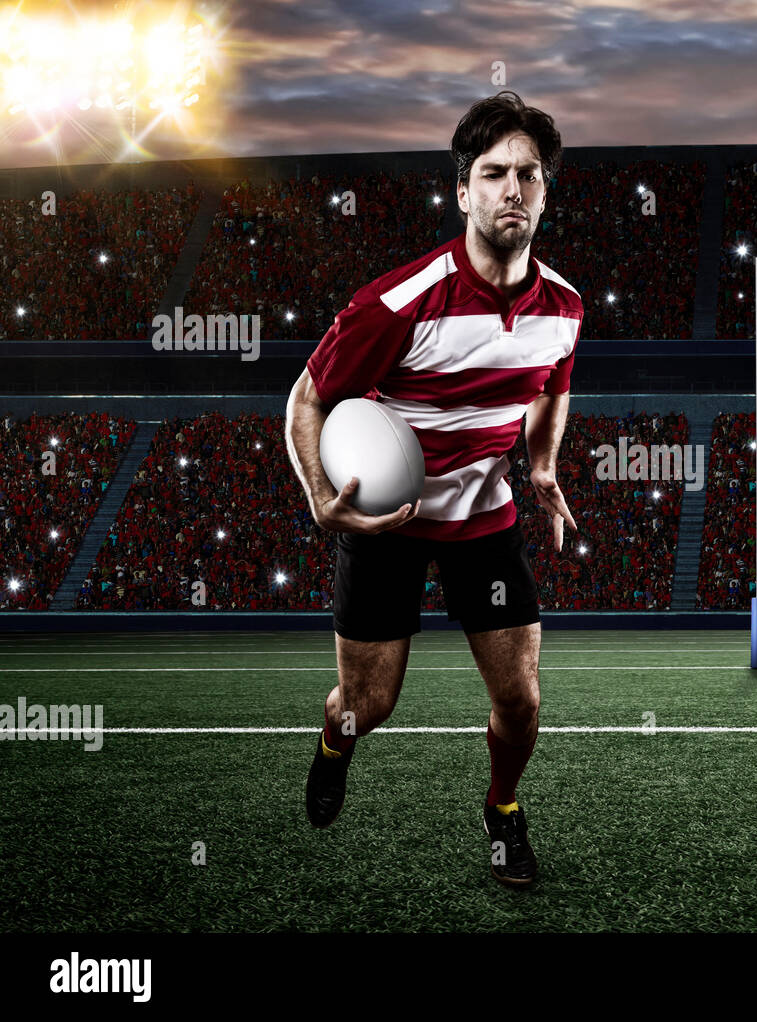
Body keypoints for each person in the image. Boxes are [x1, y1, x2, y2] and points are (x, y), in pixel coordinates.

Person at [285, 91, 582, 888]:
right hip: (385, 521)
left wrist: (543, 466)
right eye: (493, 174)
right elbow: (307, 399)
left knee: (521, 701)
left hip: (483, 521)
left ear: (546, 190)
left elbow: (552, 385)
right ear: (463, 193)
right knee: (366, 705)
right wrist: (320, 494)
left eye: (528, 174)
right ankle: (333, 745)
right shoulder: (398, 304)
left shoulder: (564, 308)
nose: (512, 189)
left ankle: (503, 808)